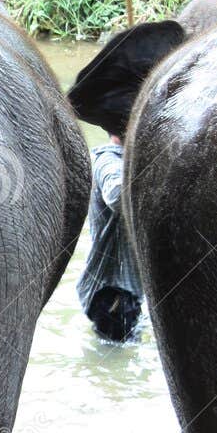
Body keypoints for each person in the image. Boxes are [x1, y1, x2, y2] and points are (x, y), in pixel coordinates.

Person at [77, 135, 143, 342]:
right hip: (113, 292)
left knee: (122, 352)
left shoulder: (126, 160)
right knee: (120, 354)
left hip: (122, 290)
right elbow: (116, 196)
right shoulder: (110, 160)